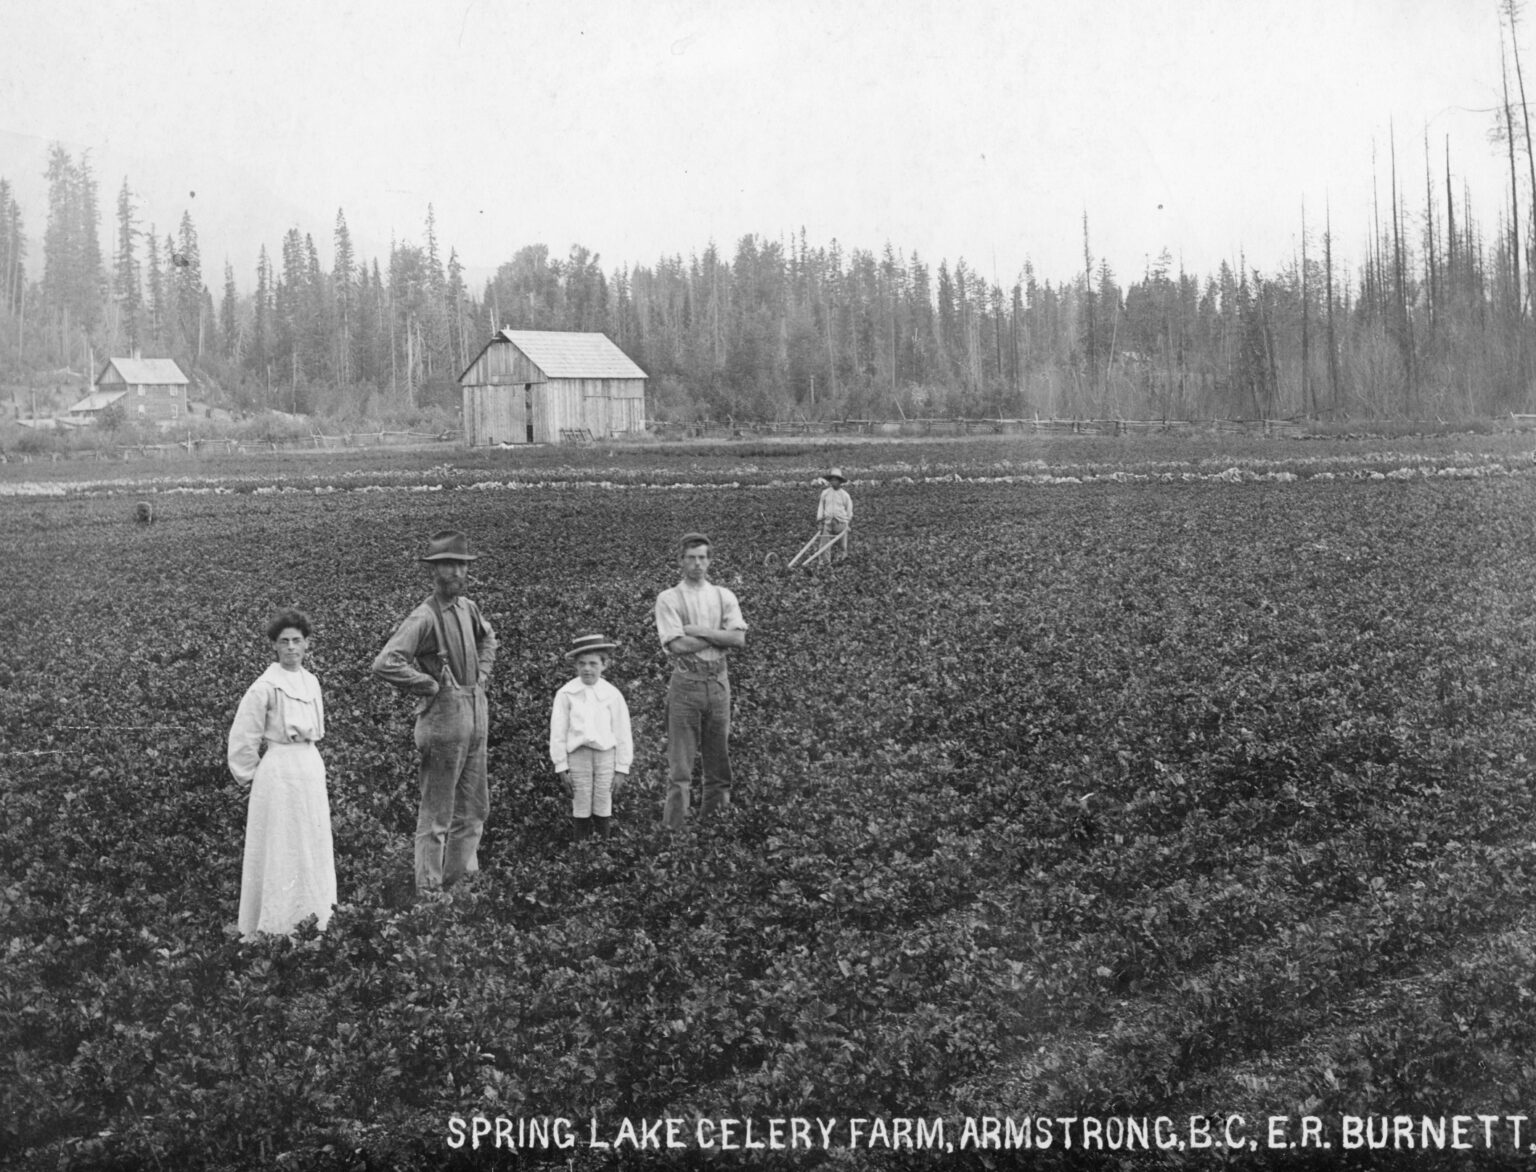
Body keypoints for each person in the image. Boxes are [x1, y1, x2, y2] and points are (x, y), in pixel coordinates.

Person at [372, 530, 499, 893]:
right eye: (447, 565)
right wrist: (427, 685)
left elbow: (488, 637)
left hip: (476, 715)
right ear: (433, 571)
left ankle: (456, 885)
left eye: (461, 565)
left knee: (474, 811)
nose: (456, 573)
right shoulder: (424, 617)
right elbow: (385, 662)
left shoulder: (468, 607)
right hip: (443, 723)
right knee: (437, 816)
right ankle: (429, 896)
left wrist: (483, 674)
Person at [227, 608, 337, 940]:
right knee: (280, 846)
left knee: (310, 845)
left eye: (297, 641)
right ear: (275, 646)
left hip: (309, 768)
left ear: (307, 645)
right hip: (278, 773)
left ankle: (313, 924)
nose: (291, 647)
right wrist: (253, 777)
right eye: (284, 641)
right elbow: (244, 736)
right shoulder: (265, 685)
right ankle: (275, 927)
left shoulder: (312, 682)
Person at [654, 533, 748, 829]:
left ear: (710, 560)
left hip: (719, 685)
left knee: (719, 767)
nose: (697, 563)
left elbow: (739, 638)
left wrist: (700, 631)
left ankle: (714, 831)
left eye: (702, 557)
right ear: (680, 561)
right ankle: (675, 835)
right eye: (691, 557)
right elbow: (677, 646)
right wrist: (718, 636)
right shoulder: (669, 598)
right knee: (680, 770)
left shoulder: (723, 595)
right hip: (686, 685)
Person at [549, 633, 634, 840]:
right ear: (576, 666)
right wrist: (561, 766)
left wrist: (622, 768)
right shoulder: (566, 693)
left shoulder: (612, 694)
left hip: (606, 755)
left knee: (604, 799)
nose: (587, 668)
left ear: (604, 665)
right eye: (582, 664)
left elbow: (623, 732)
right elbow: (558, 732)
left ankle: (603, 847)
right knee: (581, 799)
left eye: (593, 663)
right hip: (578, 755)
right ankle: (581, 850)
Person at [816, 468, 853, 560]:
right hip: (828, 522)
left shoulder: (844, 495)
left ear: (840, 481)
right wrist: (820, 521)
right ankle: (824, 564)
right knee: (824, 546)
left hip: (840, 522)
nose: (833, 482)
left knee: (842, 547)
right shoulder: (825, 493)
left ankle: (841, 562)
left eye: (835, 480)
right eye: (832, 480)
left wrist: (847, 523)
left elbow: (849, 510)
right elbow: (821, 507)